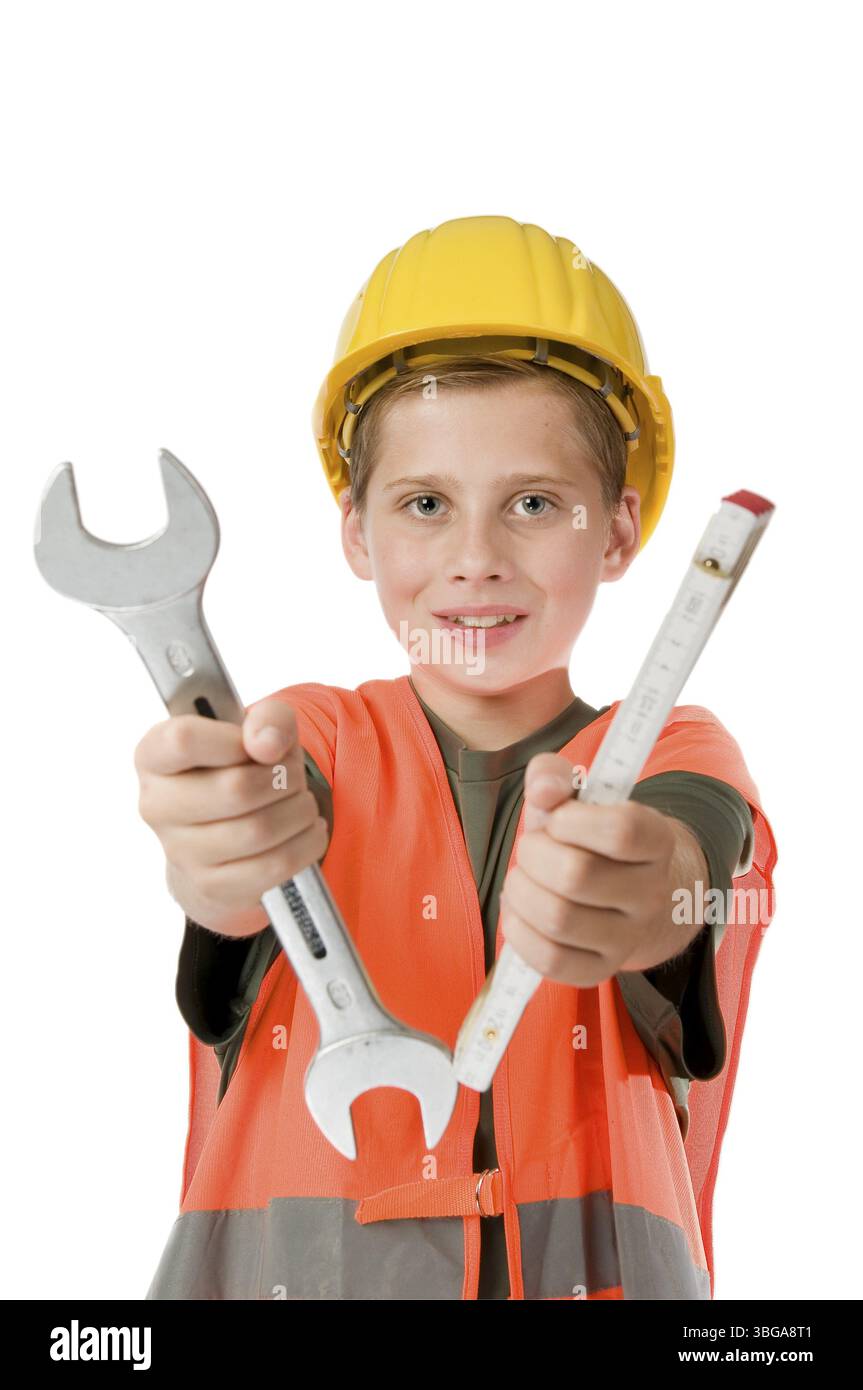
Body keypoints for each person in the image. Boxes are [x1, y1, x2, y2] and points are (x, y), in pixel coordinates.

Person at [139, 215, 777, 1300]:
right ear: (357, 532)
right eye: (425, 505)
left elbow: (690, 874)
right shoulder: (309, 735)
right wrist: (221, 861)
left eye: (533, 504)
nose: (475, 560)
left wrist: (640, 896)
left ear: (617, 532)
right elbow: (245, 856)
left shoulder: (678, 747)